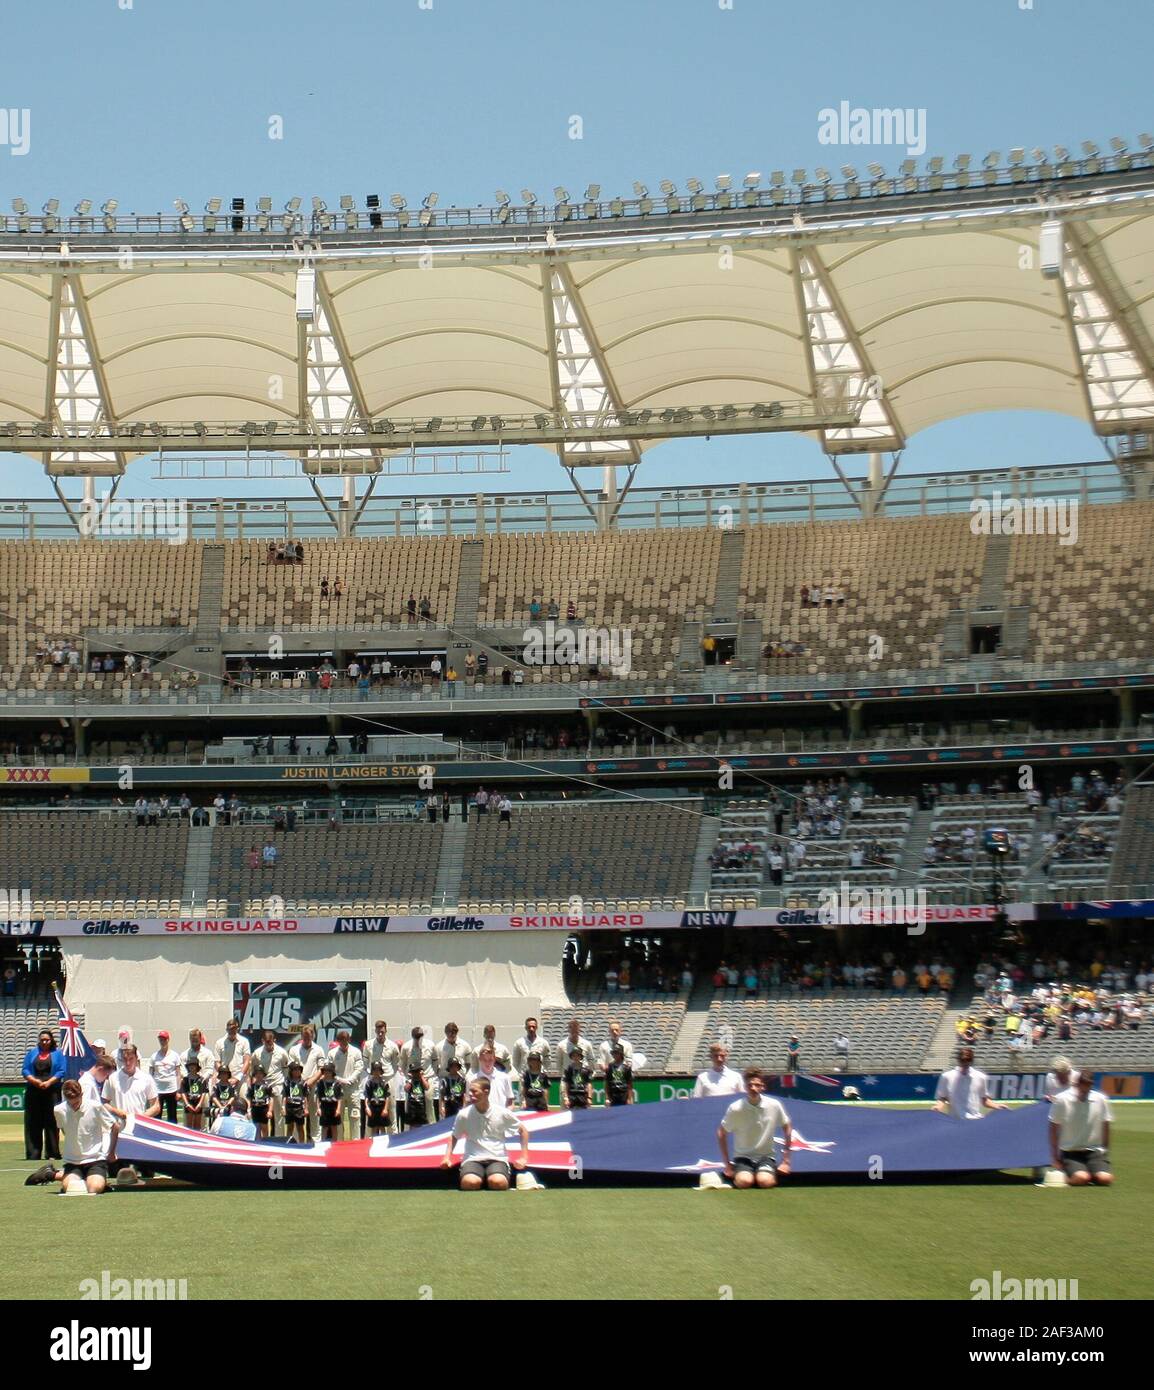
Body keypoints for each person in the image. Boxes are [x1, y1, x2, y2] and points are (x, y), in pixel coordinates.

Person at [441, 1078, 529, 1192]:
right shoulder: (463, 1114)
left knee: (498, 1182)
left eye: (474, 1091)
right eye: (470, 1091)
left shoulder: (501, 1112)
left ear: (486, 1091)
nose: (471, 1095)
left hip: (497, 1158)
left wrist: (524, 1157)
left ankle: (491, 1177)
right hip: (472, 1158)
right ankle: (478, 1178)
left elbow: (523, 1131)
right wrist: (447, 1158)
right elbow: (454, 1136)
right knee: (469, 1183)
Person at [717, 1068, 792, 1190]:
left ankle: (763, 1175)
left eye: (757, 1085)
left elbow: (787, 1126)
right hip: (743, 1157)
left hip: (766, 1157)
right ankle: (743, 1175)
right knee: (744, 1182)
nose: (753, 1088)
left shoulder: (774, 1105)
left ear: (763, 1087)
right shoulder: (736, 1108)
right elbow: (721, 1132)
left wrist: (786, 1161)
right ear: (745, 1087)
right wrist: (727, 1165)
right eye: (750, 1085)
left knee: (765, 1182)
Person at [1049, 1069, 1114, 1186]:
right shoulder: (1062, 1099)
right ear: (1077, 1084)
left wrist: (1105, 1149)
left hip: (1094, 1151)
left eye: (1089, 1085)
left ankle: (1093, 1174)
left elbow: (1106, 1124)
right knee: (1081, 1178)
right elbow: (1053, 1128)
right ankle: (1067, 1178)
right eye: (1083, 1085)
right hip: (1071, 1152)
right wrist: (1055, 1157)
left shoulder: (1100, 1099)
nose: (1085, 1089)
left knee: (1106, 1179)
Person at [52, 1080, 116, 1195]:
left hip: (95, 1159)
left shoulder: (95, 1106)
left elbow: (114, 1126)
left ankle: (100, 1182)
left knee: (94, 1188)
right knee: (71, 1188)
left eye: (77, 1102)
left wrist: (111, 1152)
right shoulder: (59, 1110)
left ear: (81, 1095)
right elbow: (63, 1129)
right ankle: (55, 1174)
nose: (74, 1106)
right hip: (72, 1161)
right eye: (70, 1103)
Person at [22, 1027, 65, 1161]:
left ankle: (52, 1153)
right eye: (42, 1040)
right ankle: (33, 1153)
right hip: (34, 1090)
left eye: (47, 1040)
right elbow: (25, 1070)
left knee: (52, 1122)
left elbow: (61, 1071)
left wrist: (49, 1082)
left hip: (51, 1090)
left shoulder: (58, 1054)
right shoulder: (32, 1053)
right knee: (33, 1122)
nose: (45, 1042)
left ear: (51, 1040)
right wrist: (35, 1081)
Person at [933, 1047, 1006, 1119]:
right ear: (958, 1060)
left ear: (971, 1061)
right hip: (955, 1120)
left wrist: (997, 1106)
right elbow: (942, 1098)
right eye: (962, 1061)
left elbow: (984, 1100)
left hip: (975, 1120)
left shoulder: (981, 1077)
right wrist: (938, 1107)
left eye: (968, 1061)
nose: (965, 1063)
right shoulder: (946, 1076)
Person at [363, 1020, 401, 1135]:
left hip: (388, 1079)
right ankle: (369, 1139)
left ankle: (393, 1138)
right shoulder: (369, 1045)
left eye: (382, 1032)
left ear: (386, 1031)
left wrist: (389, 1075)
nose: (380, 1034)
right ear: (375, 1030)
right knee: (371, 1110)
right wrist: (371, 1073)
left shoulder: (392, 1046)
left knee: (391, 1110)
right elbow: (365, 1061)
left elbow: (396, 1063)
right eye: (378, 1032)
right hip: (373, 1080)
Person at [250, 1028, 291, 1136]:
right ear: (263, 1041)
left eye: (271, 1042)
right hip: (262, 1087)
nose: (269, 1045)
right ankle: (259, 1140)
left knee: (279, 1115)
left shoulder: (282, 1052)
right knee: (261, 1115)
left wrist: (284, 1085)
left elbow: (286, 1071)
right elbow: (253, 1071)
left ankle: (279, 1139)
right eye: (266, 1042)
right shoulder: (257, 1053)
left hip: (277, 1085)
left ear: (274, 1040)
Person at [330, 1030, 365, 1141]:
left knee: (355, 1117)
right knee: (338, 1116)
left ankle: (356, 1142)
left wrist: (349, 1080)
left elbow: (359, 1068)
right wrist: (339, 1079)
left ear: (349, 1040)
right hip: (338, 1089)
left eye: (345, 1041)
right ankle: (339, 1142)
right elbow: (330, 1070)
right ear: (338, 1041)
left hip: (353, 1088)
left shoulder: (356, 1052)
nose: (343, 1043)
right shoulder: (332, 1053)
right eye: (341, 1041)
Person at [400, 1027, 438, 1126]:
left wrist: (431, 1074)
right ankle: (412, 1131)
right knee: (411, 1106)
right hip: (412, 1080)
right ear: (412, 1036)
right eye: (416, 1037)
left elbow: (435, 1060)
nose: (418, 1039)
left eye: (420, 1036)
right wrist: (408, 1077)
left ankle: (431, 1128)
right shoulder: (406, 1047)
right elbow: (403, 1064)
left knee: (429, 1103)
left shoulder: (430, 1045)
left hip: (427, 1078)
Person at [148, 1030, 182, 1122]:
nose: (162, 1042)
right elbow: (150, 1075)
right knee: (157, 1114)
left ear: (168, 1040)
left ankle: (173, 1134)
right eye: (160, 1040)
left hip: (172, 1089)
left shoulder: (175, 1056)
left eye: (164, 1039)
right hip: (158, 1090)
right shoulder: (154, 1056)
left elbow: (178, 1074)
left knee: (172, 1115)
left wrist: (178, 1091)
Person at [467, 1044, 514, 1110]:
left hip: (499, 1117)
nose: (487, 1063)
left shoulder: (505, 1078)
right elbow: (469, 1102)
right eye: (484, 1060)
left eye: (490, 1060)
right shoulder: (472, 1080)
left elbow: (510, 1102)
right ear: (479, 1059)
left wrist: (506, 1114)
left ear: (494, 1059)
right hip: (479, 1117)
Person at [214, 1017, 251, 1086]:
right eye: (230, 1029)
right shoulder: (219, 1042)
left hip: (240, 1079)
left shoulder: (244, 1041)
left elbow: (247, 1061)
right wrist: (224, 1076)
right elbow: (217, 1062)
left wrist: (238, 1078)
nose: (232, 1031)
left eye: (234, 1029)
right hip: (224, 1080)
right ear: (226, 1029)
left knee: (244, 1096)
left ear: (238, 1029)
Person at [315, 1063, 343, 1141]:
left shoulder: (337, 1083)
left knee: (334, 1126)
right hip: (324, 1106)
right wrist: (318, 1108)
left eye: (329, 1071)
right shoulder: (320, 1083)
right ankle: (323, 1142)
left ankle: (335, 1143)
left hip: (333, 1106)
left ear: (332, 1072)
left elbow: (339, 1097)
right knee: (324, 1126)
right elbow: (317, 1096)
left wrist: (338, 1109)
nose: (327, 1073)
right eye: (325, 1071)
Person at [282, 1062, 309, 1143]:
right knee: (289, 1127)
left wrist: (306, 1108)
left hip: (299, 1108)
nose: (296, 1071)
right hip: (289, 1107)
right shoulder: (287, 1082)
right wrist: (283, 1108)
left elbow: (305, 1097)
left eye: (298, 1069)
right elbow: (284, 1096)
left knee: (300, 1127)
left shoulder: (303, 1082)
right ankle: (288, 1144)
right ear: (291, 1071)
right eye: (294, 1070)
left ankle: (301, 1144)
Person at [180, 1057, 209, 1130]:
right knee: (189, 1124)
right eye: (190, 1065)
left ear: (197, 1067)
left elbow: (203, 1092)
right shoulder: (185, 1079)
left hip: (198, 1103)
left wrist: (200, 1104)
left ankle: (198, 1138)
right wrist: (187, 1104)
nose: (192, 1067)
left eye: (194, 1065)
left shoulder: (201, 1079)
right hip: (189, 1102)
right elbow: (183, 1092)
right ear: (188, 1067)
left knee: (197, 1124)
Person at [364, 1063, 391, 1137]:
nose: (376, 1072)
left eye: (378, 1070)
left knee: (382, 1126)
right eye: (374, 1070)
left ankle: (383, 1142)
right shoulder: (369, 1083)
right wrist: (367, 1107)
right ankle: (374, 1142)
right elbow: (367, 1096)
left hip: (382, 1106)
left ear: (381, 1071)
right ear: (372, 1071)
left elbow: (387, 1097)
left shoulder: (384, 1083)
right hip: (373, 1106)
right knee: (374, 1127)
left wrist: (385, 1109)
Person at [404, 1064, 434, 1131]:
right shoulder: (409, 1081)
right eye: (413, 1072)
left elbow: (427, 1087)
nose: (415, 1073)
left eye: (417, 1071)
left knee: (421, 1125)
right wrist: (411, 1079)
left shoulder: (423, 1079)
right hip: (412, 1106)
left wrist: (421, 1076)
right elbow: (406, 1089)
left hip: (421, 1106)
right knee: (412, 1125)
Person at [247, 1065, 273, 1139]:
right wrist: (249, 1109)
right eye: (257, 1073)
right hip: (255, 1109)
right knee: (255, 1128)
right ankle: (257, 1142)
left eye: (260, 1073)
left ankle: (265, 1142)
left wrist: (270, 1111)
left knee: (264, 1127)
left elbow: (271, 1098)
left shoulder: (267, 1086)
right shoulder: (252, 1087)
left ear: (263, 1074)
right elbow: (249, 1098)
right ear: (254, 1075)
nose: (259, 1075)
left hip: (264, 1108)